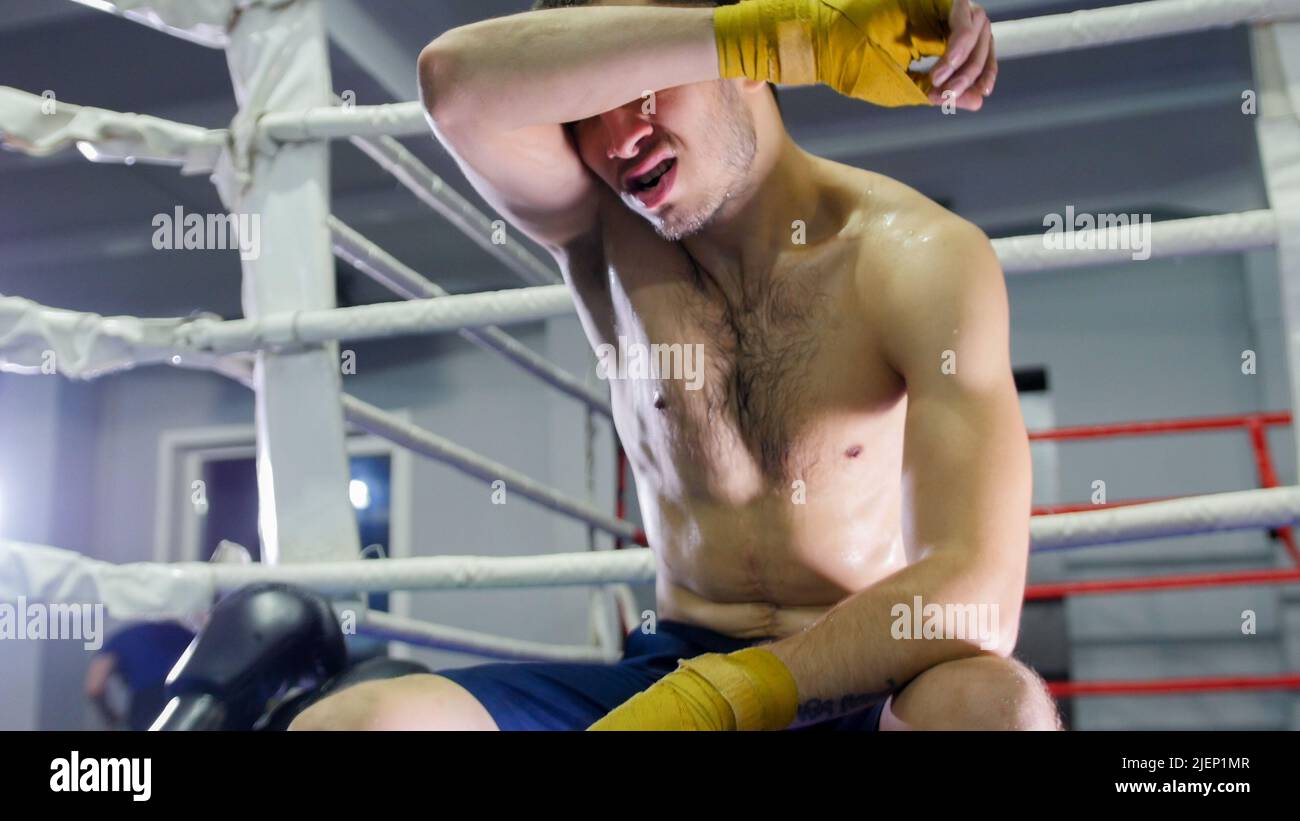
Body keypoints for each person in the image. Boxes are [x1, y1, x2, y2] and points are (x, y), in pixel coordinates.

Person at [293, 0, 1059, 730]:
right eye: (588, 106)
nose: (618, 136)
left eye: (639, 88)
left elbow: (976, 596)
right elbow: (452, 84)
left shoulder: (915, 257)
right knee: (352, 722)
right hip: (671, 673)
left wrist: (734, 699)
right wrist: (780, 29)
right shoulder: (596, 230)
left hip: (857, 673)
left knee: (996, 707)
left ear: (752, 69)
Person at [85, 621, 195, 731]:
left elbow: (95, 688)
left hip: (148, 703)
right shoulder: (175, 629)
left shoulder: (117, 641)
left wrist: (109, 717)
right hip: (189, 692)